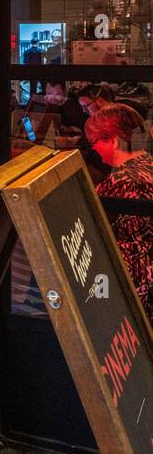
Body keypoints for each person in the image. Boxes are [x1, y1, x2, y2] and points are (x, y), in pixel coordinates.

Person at [85, 104, 153, 319]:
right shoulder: (148, 165)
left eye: (94, 142)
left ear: (113, 140)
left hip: (136, 297)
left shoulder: (116, 185)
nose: (93, 149)